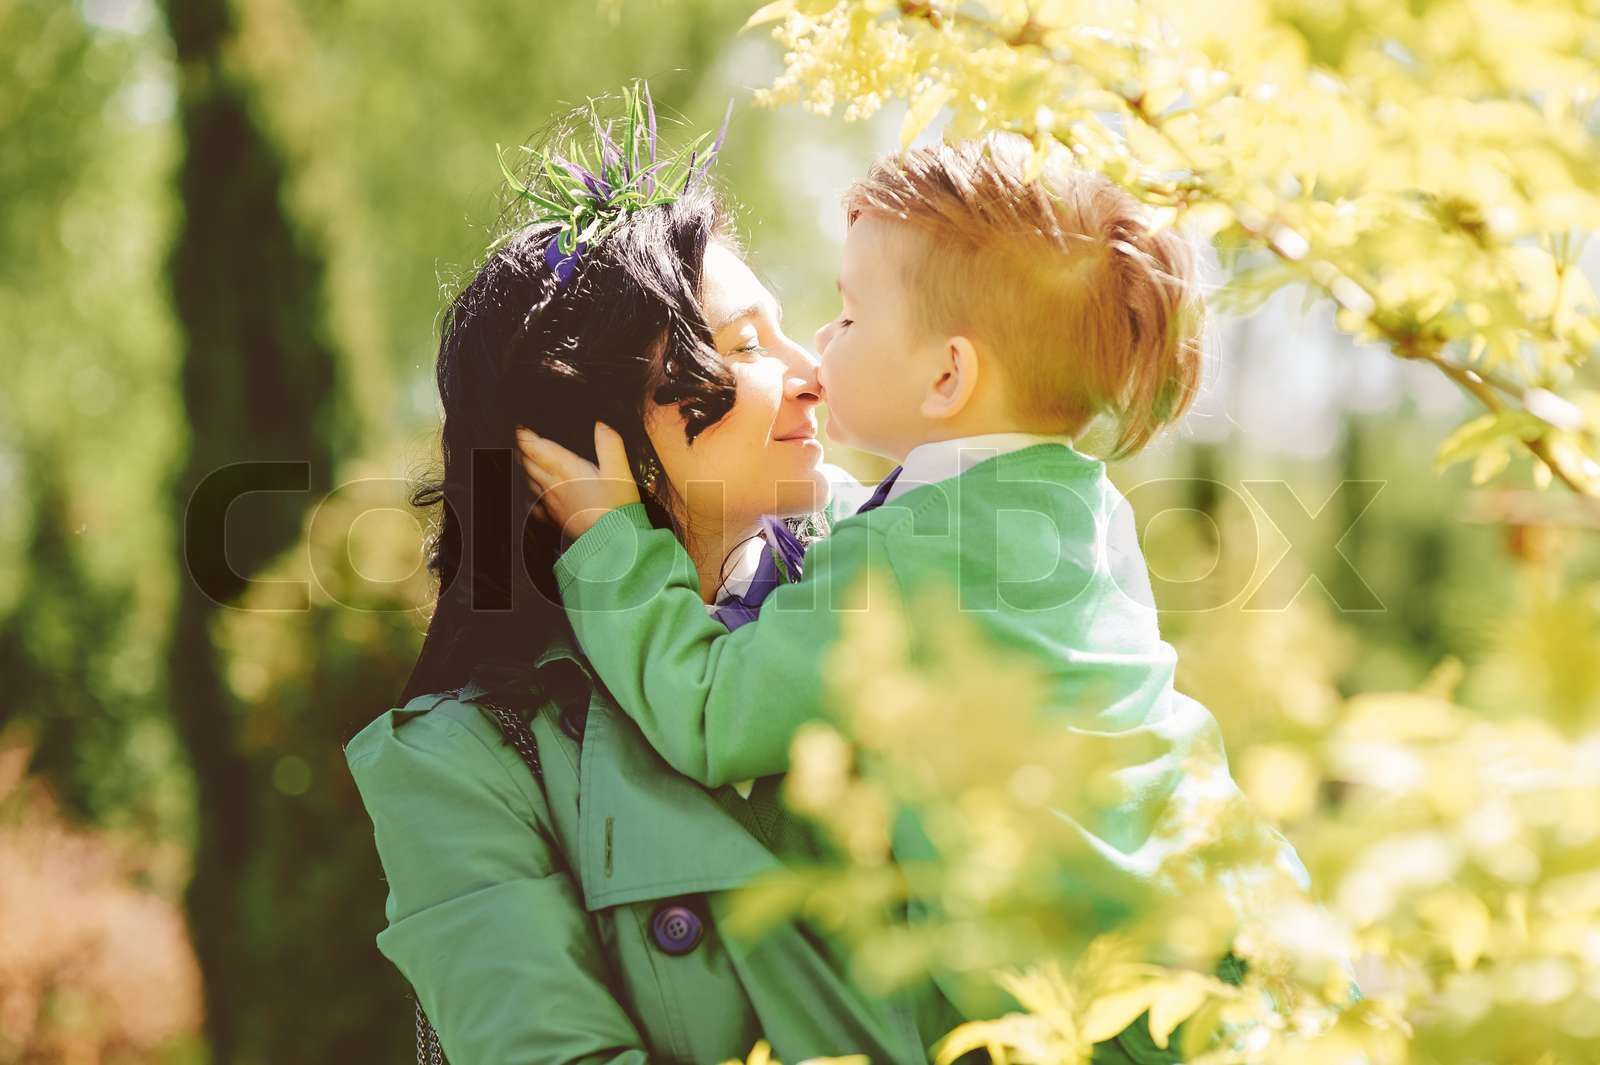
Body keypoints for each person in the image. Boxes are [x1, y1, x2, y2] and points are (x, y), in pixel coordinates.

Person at [519, 136, 1308, 1033]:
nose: (818, 350)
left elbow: (710, 712)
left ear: (948, 376)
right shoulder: (1087, 503)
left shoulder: (903, 552)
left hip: (1110, 993)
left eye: (849, 320)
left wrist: (614, 535)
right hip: (1236, 910)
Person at [344, 90, 958, 1064]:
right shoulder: (464, 764)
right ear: (576, 435)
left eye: (797, 331)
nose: (813, 373)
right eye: (748, 346)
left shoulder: (913, 578)